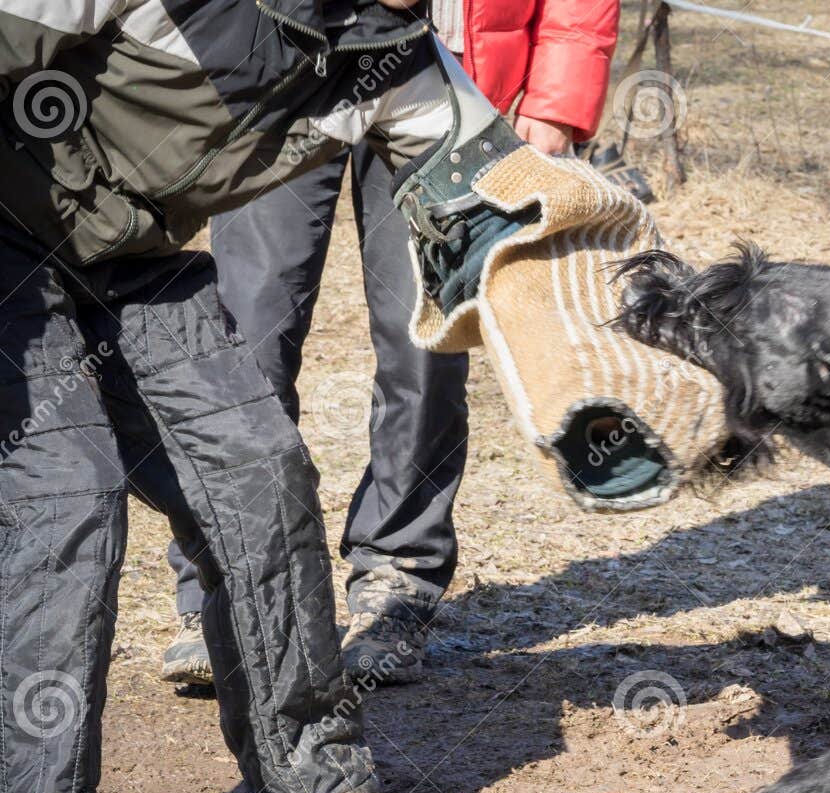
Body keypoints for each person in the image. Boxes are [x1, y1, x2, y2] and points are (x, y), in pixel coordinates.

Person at [0, 0, 545, 793]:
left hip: (132, 261)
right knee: (64, 504)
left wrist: (624, 314)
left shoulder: (392, 53)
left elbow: (503, 193)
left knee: (259, 470)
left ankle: (310, 781)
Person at [161, 0, 621, 688]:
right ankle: (222, 581)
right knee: (248, 331)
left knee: (426, 343)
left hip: (452, 76)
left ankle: (398, 576)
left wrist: (559, 96)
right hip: (286, 59)